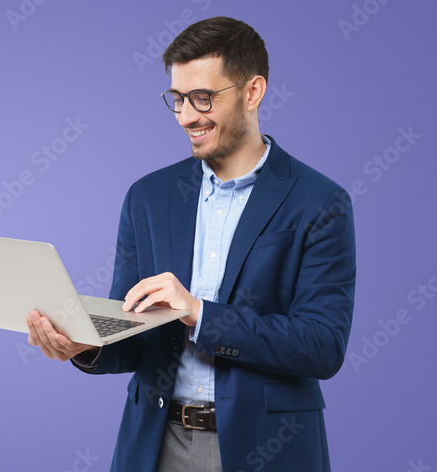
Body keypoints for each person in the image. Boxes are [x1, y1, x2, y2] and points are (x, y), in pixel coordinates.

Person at [25, 16, 355, 472]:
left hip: (267, 447)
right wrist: (82, 344)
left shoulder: (320, 201)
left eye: (203, 98)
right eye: (177, 99)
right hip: (156, 444)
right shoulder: (147, 197)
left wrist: (200, 313)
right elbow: (132, 335)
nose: (186, 117)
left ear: (252, 92)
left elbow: (322, 346)